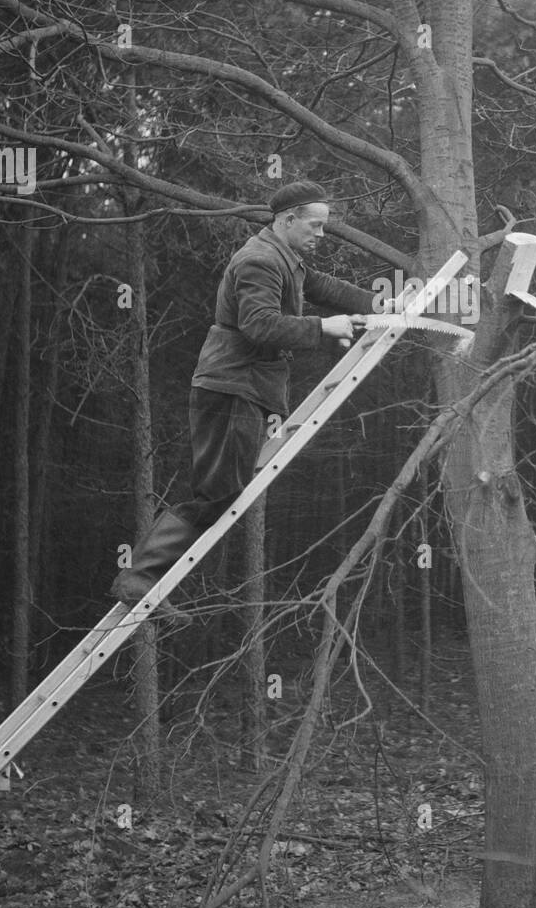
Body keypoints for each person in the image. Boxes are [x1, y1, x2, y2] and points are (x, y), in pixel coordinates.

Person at [109, 181, 376, 608]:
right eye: (316, 225)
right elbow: (260, 325)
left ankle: (142, 577)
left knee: (222, 489)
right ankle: (139, 577)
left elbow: (323, 288)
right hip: (231, 386)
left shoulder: (285, 257)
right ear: (287, 220)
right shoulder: (259, 260)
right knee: (217, 492)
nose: (321, 235)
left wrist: (386, 303)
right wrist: (322, 329)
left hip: (242, 387)